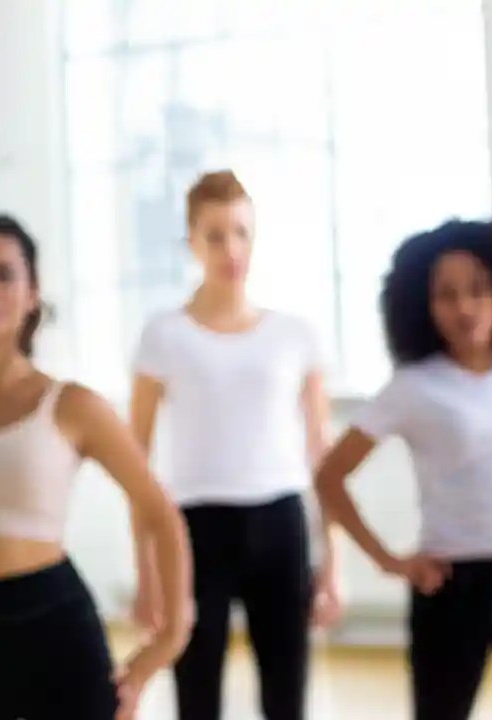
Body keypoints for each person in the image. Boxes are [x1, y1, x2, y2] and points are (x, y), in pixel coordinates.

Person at [0, 214, 192, 719]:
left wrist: (166, 641)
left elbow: (159, 512)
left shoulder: (72, 406)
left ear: (32, 293)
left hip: (52, 626)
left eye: (4, 274)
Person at [315, 217, 492, 720]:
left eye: (478, 290)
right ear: (424, 305)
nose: (464, 308)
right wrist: (389, 561)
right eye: (446, 295)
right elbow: (329, 476)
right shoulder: (413, 387)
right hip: (449, 582)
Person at [129, 170, 343, 720]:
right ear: (192, 242)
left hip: (280, 524)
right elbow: (136, 464)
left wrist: (332, 562)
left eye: (241, 232)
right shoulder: (163, 335)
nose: (231, 249)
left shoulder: (295, 334)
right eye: (216, 235)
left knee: (286, 696)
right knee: (196, 693)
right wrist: (147, 573)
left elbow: (321, 454)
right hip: (194, 529)